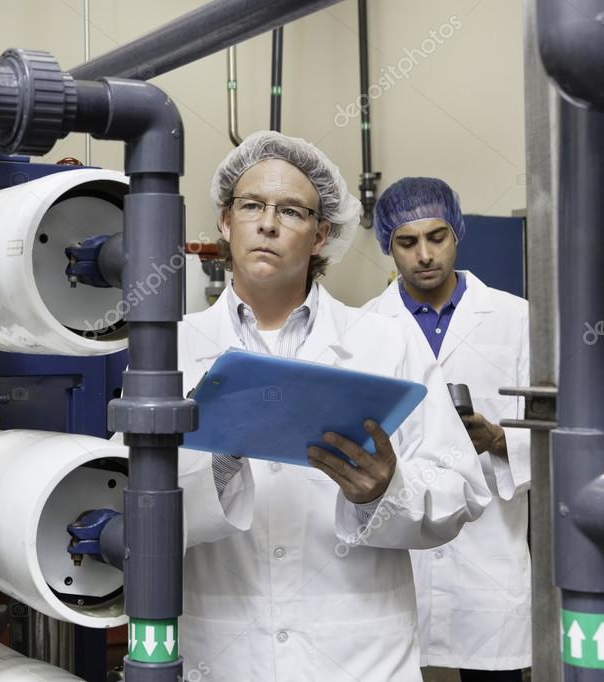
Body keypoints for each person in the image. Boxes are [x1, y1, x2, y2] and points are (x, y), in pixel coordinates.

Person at [175, 131, 491, 681]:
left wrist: (386, 493)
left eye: (291, 211)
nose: (268, 224)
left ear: (321, 234)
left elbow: (459, 487)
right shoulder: (171, 348)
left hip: (360, 658)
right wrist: (217, 466)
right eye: (251, 206)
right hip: (224, 654)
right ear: (225, 221)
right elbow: (127, 498)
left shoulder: (386, 342)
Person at [364, 177, 531, 681]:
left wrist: (498, 440)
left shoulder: (516, 318)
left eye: (436, 237)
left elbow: (555, 427)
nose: (424, 254)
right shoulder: (364, 326)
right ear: (388, 245)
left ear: (456, 232)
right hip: (400, 546)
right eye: (407, 242)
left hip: (491, 548)